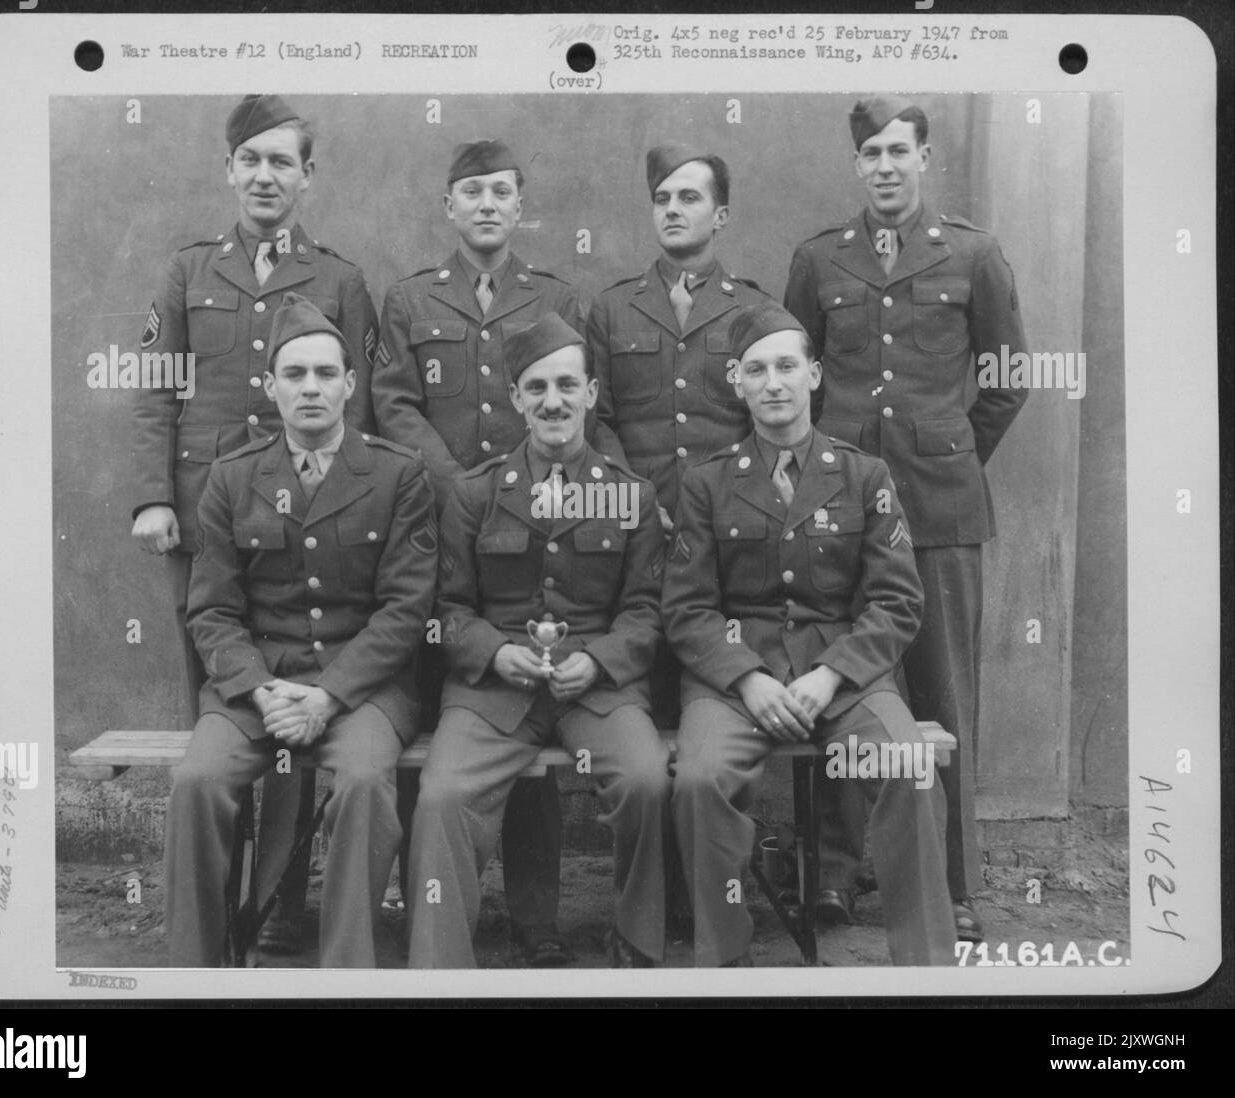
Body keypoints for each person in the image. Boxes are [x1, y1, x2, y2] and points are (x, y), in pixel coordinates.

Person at [131, 95, 381, 953]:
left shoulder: (341, 281)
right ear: (229, 171)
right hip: (206, 526)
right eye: (252, 160)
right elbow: (155, 389)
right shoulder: (189, 271)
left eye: (284, 161)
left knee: (305, 698)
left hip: (311, 512)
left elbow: (366, 406)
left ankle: (281, 904)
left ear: (308, 176)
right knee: (227, 711)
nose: (266, 176)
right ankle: (214, 916)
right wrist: (153, 497)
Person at [783, 96, 1029, 940]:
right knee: (848, 682)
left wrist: (950, 454)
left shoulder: (972, 252)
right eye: (872, 154)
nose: (886, 166)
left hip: (941, 509)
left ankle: (954, 884)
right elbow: (797, 380)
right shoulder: (819, 260)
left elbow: (1004, 379)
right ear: (857, 165)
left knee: (943, 695)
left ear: (925, 157)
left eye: (900, 151)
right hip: (839, 516)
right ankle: (836, 874)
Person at [374, 140, 617, 965]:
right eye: (470, 191)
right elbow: (393, 403)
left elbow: (581, 395)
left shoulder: (557, 295)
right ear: (450, 206)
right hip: (438, 523)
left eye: (501, 192)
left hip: (540, 522)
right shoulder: (407, 300)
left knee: (539, 693)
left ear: (521, 206)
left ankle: (539, 918)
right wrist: (460, 482)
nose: (486, 204)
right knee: (455, 702)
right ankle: (433, 914)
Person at [663, 302, 956, 967]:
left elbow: (897, 601)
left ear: (815, 375)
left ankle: (929, 969)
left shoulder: (864, 476)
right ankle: (724, 963)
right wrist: (747, 678)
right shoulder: (706, 484)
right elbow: (686, 609)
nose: (774, 383)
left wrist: (831, 676)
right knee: (698, 779)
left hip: (844, 677)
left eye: (788, 366)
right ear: (737, 382)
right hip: (737, 682)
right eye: (757, 370)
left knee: (908, 768)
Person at [163, 293, 436, 967]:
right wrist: (259, 690)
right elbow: (213, 611)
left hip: (363, 687)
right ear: (270, 387)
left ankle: (348, 970)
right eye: (294, 375)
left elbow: (407, 609)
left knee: (368, 786)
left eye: (324, 374)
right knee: (196, 784)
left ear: (350, 384)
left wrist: (327, 697)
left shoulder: (399, 475)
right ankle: (190, 974)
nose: (310, 388)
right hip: (257, 685)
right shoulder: (232, 477)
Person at [407, 313, 671, 968]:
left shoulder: (631, 497)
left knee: (644, 780)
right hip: (495, 691)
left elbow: (646, 610)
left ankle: (638, 950)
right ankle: (437, 971)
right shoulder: (474, 494)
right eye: (536, 388)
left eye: (565, 385)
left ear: (591, 394)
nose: (552, 401)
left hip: (596, 692)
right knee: (441, 796)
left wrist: (600, 660)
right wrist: (493, 651)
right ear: (516, 400)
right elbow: (448, 607)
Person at [588, 144, 774, 529]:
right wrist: (633, 502)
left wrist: (740, 500)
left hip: (734, 519)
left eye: (689, 198)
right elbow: (596, 421)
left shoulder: (755, 309)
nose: (672, 209)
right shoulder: (611, 309)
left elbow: (772, 419)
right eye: (662, 199)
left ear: (720, 216)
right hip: (637, 523)